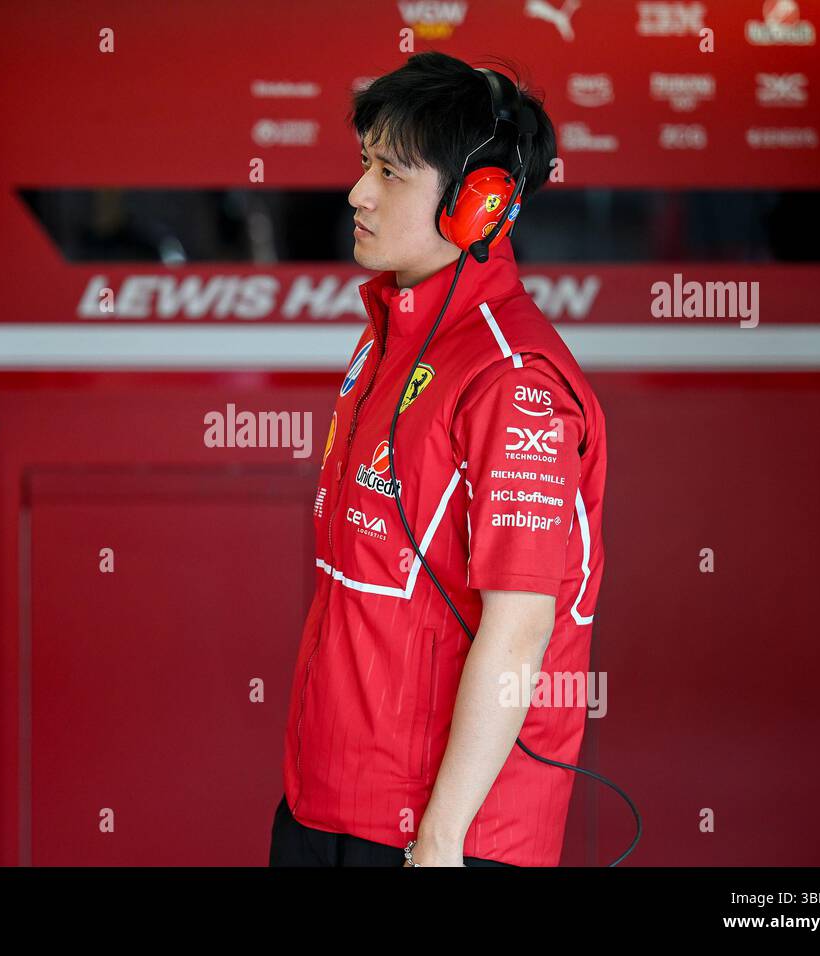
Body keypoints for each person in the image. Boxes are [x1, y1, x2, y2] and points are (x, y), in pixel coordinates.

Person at [270, 52, 607, 867]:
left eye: (389, 171)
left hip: (438, 835)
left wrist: (443, 841)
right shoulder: (392, 331)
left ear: (478, 204)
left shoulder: (512, 383)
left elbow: (520, 629)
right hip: (328, 798)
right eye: (363, 164)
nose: (358, 192)